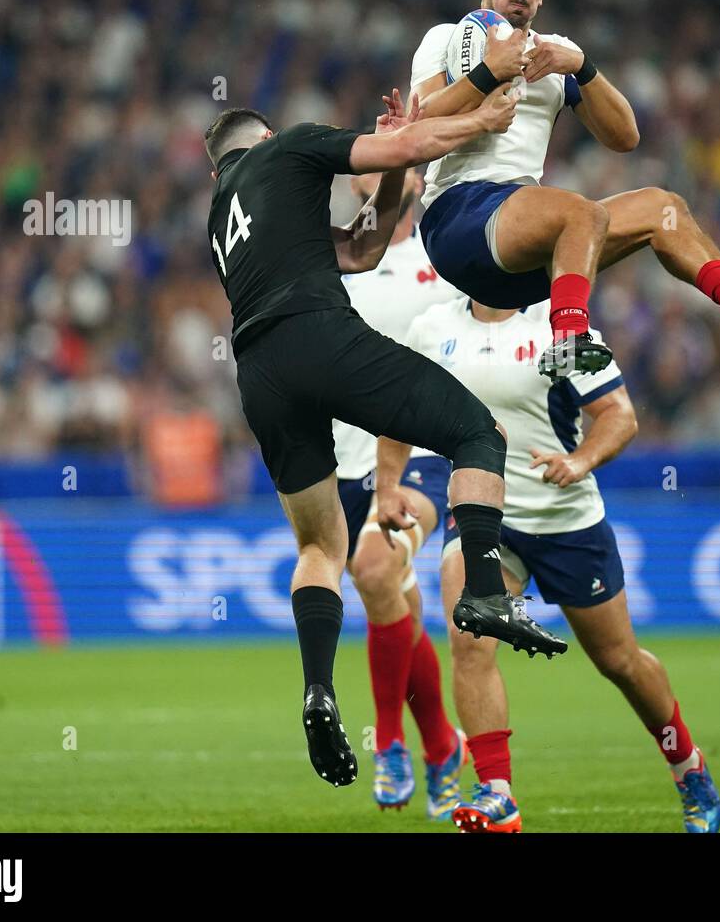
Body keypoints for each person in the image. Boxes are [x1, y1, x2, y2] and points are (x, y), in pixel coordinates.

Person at [203, 89, 568, 789]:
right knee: (475, 431)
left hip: (260, 375)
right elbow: (401, 148)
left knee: (319, 548)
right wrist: (479, 122)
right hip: (320, 336)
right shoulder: (292, 145)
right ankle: (488, 592)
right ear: (269, 134)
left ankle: (318, 688)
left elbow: (361, 248)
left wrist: (397, 173)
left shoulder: (222, 220)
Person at [411, 0, 720, 379]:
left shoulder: (555, 55)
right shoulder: (445, 37)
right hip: (458, 217)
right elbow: (418, 123)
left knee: (662, 207)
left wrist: (582, 68)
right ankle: (569, 336)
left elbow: (626, 136)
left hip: (524, 250)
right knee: (578, 211)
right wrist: (491, 72)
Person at [377, 296, 720, 833]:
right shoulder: (432, 327)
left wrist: (580, 460)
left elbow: (619, 414)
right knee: (469, 635)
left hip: (566, 520)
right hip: (485, 510)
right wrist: (387, 485)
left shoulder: (560, 329)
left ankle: (687, 765)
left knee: (619, 661)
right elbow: (400, 409)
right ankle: (497, 792)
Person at [330, 170, 466, 816]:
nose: (380, 172)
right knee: (394, 607)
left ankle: (390, 744)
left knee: (375, 566)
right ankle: (442, 745)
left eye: (398, 157)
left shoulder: (444, 253)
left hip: (421, 453)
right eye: (367, 160)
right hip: (343, 461)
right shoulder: (330, 261)